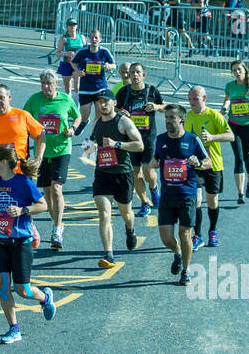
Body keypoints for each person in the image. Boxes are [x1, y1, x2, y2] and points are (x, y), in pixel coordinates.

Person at [0, 146, 56, 343]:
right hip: (0, 242)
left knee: (24, 290)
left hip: (21, 242)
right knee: (3, 288)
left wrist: (22, 210)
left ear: (3, 162)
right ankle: (14, 328)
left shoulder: (23, 182)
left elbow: (44, 205)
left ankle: (45, 298)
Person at [22, 71, 82, 251]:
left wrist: (73, 128)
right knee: (47, 194)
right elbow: (23, 120)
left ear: (56, 83)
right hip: (42, 152)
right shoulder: (34, 100)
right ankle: (57, 222)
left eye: (49, 83)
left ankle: (57, 229)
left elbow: (77, 116)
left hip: (62, 149)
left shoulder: (64, 99)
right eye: (43, 83)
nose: (46, 87)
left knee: (56, 188)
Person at [153, 104, 209, 285]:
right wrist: (151, 165)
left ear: (181, 120)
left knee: (185, 234)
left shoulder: (192, 140)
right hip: (167, 195)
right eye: (166, 117)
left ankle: (186, 270)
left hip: (187, 195)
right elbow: (155, 158)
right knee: (166, 238)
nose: (168, 121)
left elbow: (208, 162)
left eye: (172, 117)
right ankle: (177, 253)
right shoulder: (160, 139)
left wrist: (198, 163)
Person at [88, 89, 143, 268]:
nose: (102, 105)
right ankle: (109, 253)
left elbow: (139, 145)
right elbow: (92, 145)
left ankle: (130, 229)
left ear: (114, 103)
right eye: (99, 102)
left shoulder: (123, 122)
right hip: (103, 173)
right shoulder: (97, 122)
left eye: (106, 101)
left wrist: (117, 144)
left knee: (126, 214)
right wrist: (90, 149)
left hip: (122, 173)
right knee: (104, 213)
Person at [184, 86, 234, 250]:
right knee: (197, 199)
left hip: (213, 165)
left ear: (204, 98)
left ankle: (213, 230)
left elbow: (230, 135)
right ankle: (197, 235)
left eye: (195, 99)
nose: (192, 102)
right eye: (190, 99)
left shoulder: (214, 115)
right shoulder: (189, 116)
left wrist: (213, 137)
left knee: (212, 201)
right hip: (195, 165)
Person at [115, 62, 164, 217]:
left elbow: (165, 106)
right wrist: (121, 112)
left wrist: (156, 107)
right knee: (135, 173)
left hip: (149, 137)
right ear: (128, 75)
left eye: (138, 72)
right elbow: (114, 108)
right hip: (131, 138)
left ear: (144, 75)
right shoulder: (124, 92)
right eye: (132, 72)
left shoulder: (152, 91)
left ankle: (154, 188)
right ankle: (144, 203)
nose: (134, 75)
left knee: (148, 170)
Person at [222, 60, 249, 204]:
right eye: (234, 70)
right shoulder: (230, 86)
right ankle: (240, 193)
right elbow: (227, 99)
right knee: (238, 158)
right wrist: (224, 108)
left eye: (239, 70)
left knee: (247, 156)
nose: (237, 72)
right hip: (234, 125)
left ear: (245, 70)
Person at [70, 29, 115, 137]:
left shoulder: (104, 52)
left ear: (100, 39)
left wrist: (109, 67)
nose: (94, 40)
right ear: (89, 39)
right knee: (84, 114)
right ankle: (85, 122)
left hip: (100, 87)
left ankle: (94, 133)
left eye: (96, 37)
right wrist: (78, 71)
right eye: (92, 37)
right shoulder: (82, 51)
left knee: (99, 114)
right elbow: (73, 62)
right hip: (85, 88)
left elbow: (114, 65)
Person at [55, 18, 83, 96]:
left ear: (77, 26)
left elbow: (85, 50)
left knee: (77, 87)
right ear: (67, 27)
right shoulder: (64, 38)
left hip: (77, 64)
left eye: (74, 25)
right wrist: (66, 53)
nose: (72, 26)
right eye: (71, 25)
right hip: (66, 64)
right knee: (68, 88)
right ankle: (69, 104)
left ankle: (77, 106)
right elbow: (57, 53)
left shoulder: (81, 37)